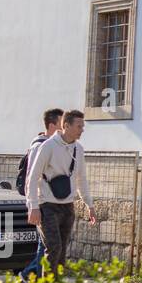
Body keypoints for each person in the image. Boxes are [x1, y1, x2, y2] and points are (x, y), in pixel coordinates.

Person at [24, 110, 97, 274]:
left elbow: (81, 179)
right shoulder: (48, 146)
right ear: (66, 125)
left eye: (83, 126)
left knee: (62, 254)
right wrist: (33, 207)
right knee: (53, 249)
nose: (82, 130)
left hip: (67, 207)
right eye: (79, 126)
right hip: (47, 206)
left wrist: (89, 205)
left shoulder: (78, 149)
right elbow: (33, 177)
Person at [16, 107, 63, 280]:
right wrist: (33, 205)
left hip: (51, 202)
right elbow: (31, 178)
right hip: (42, 203)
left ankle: (31, 278)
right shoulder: (39, 146)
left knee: (44, 245)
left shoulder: (54, 145)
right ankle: (28, 276)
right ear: (51, 126)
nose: (64, 128)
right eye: (61, 124)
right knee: (47, 246)